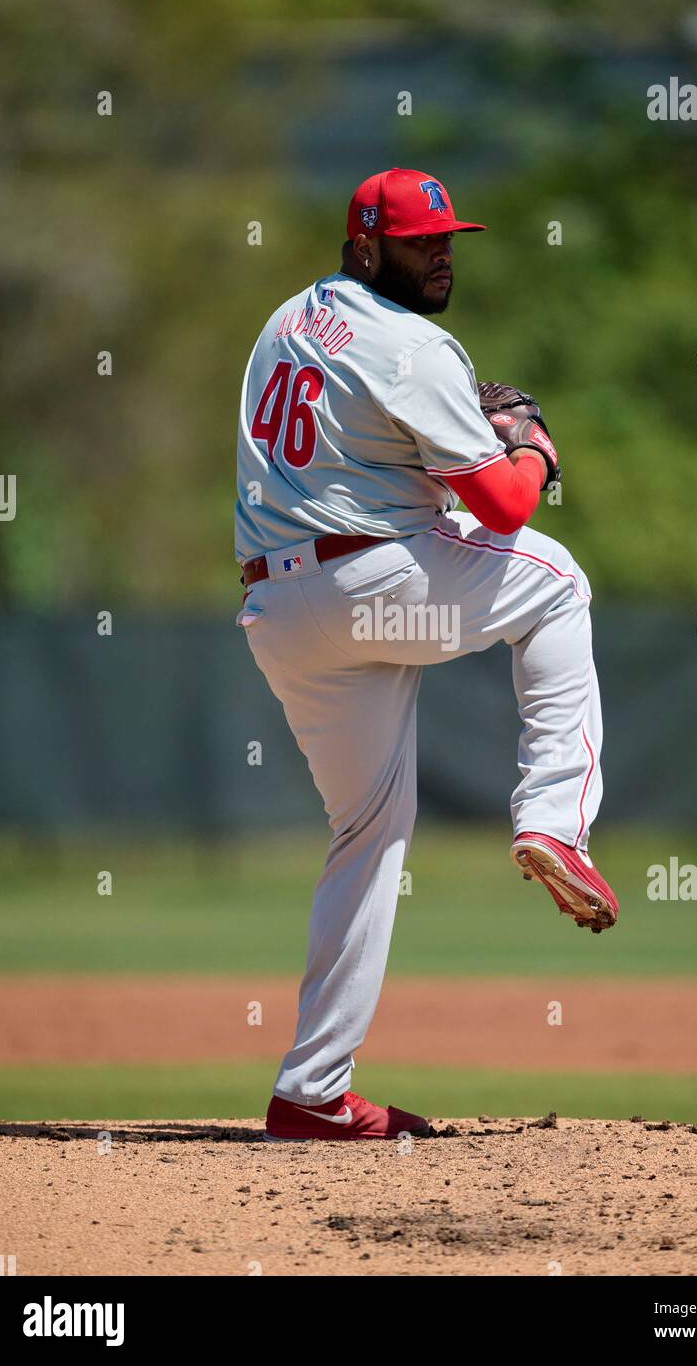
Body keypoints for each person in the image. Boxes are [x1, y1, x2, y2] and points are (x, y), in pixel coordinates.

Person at [234, 168, 618, 1142]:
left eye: (447, 237)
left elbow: (344, 463)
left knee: (368, 830)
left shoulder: (287, 320)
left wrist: (445, 476)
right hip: (370, 587)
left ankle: (312, 1092)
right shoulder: (412, 344)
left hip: (278, 604)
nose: (441, 253)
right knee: (558, 581)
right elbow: (508, 504)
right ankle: (552, 822)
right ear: (365, 246)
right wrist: (530, 444)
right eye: (418, 241)